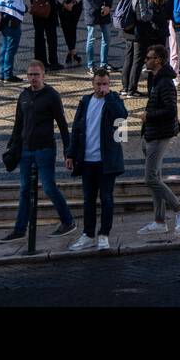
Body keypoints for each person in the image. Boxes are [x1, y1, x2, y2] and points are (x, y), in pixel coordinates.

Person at [0, 60, 75, 242]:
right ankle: (19, 229)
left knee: (49, 187)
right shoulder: (23, 95)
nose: (33, 78)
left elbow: (63, 125)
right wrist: (12, 145)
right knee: (24, 190)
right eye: (30, 74)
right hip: (25, 150)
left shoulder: (51, 95)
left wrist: (68, 152)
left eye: (36, 74)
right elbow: (18, 123)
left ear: (43, 76)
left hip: (45, 149)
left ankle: (68, 221)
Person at [64, 67, 127, 251]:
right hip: (87, 160)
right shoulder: (85, 101)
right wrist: (70, 154)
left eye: (105, 84)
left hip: (106, 161)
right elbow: (76, 129)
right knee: (88, 199)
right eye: (98, 84)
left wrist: (109, 97)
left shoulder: (114, 99)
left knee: (106, 198)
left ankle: (104, 235)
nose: (102, 87)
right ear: (93, 84)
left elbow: (122, 117)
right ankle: (88, 234)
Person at [137, 45, 180, 235]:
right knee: (156, 178)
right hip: (151, 133)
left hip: (160, 134)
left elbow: (171, 111)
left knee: (150, 178)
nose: (146, 60)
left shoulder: (166, 83)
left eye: (149, 57)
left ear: (158, 60)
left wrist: (149, 116)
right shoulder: (155, 79)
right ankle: (160, 221)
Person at [116, 0, 152, 93]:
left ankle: (125, 87)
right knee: (137, 61)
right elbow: (142, 16)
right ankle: (132, 88)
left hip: (126, 31)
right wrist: (151, 13)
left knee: (128, 59)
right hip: (137, 33)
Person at [27, 0, 62, 71]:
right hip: (48, 13)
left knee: (39, 37)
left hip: (37, 13)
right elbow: (51, 0)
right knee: (52, 38)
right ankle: (53, 61)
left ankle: (40, 60)